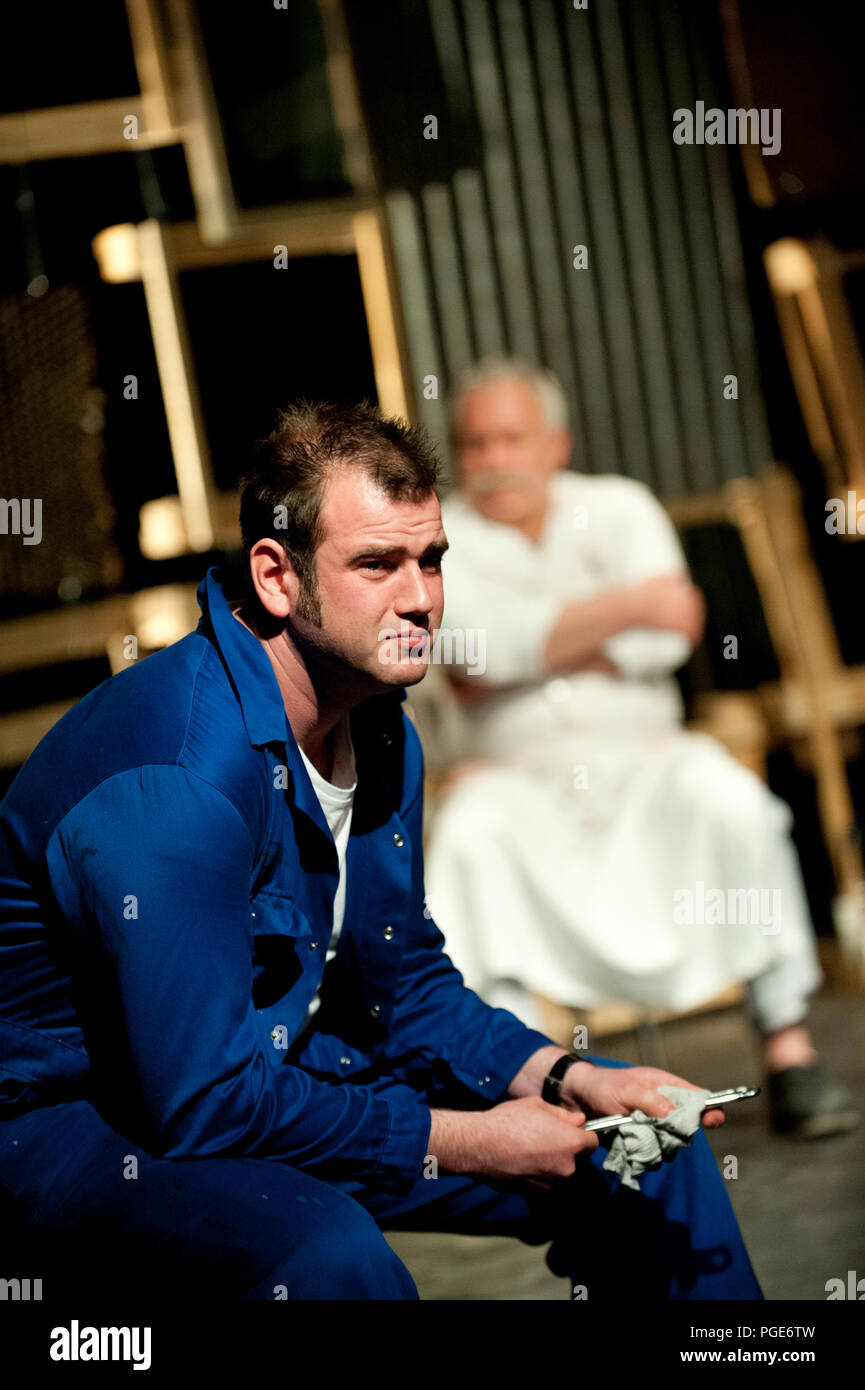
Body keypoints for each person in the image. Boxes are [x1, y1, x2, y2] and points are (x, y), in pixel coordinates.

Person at [0, 401, 762, 1302]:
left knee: (649, 1159)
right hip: (75, 1128)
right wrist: (466, 1139)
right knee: (329, 1260)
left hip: (270, 1066)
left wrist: (571, 1075)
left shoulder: (378, 724)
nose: (420, 598)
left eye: (431, 559)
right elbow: (202, 1105)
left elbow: (401, 985)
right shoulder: (180, 784)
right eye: (377, 564)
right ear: (278, 579)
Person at [424, 359, 857, 1140]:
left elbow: (668, 636)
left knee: (730, 800)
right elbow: (474, 653)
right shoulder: (439, 535)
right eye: (474, 444)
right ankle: (531, 1094)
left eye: (509, 440)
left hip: (645, 757)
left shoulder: (618, 506)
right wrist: (622, 607)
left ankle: (787, 1047)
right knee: (469, 837)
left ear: (555, 443)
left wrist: (528, 648)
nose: (490, 461)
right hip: (512, 778)